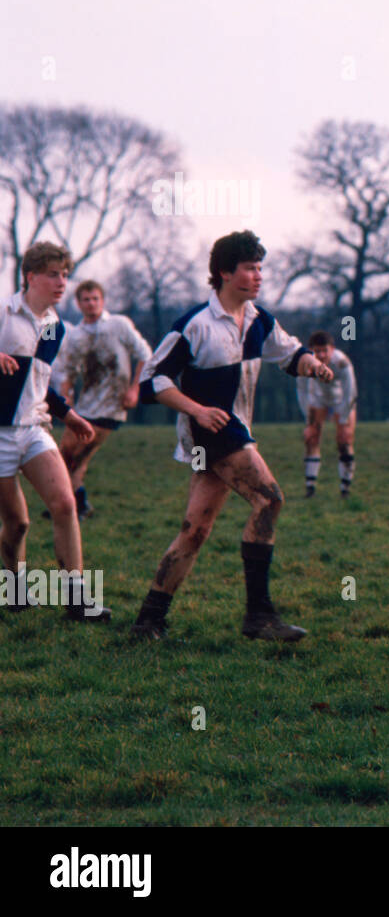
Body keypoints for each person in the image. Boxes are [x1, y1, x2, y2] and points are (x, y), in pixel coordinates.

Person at [130, 231, 334, 641]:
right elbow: (151, 381)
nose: (258, 275)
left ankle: (148, 620)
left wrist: (311, 363)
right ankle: (258, 616)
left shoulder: (259, 319)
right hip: (211, 435)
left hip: (232, 433)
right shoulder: (195, 324)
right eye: (249, 268)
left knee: (196, 529)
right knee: (270, 499)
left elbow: (290, 353)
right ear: (224, 272)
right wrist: (197, 410)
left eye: (261, 268)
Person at [0, 243, 110, 622]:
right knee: (18, 523)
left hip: (33, 428)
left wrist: (71, 416)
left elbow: (37, 383)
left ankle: (77, 602)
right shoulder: (3, 312)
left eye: (65, 274)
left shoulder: (54, 326)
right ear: (31, 276)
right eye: (53, 274)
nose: (62, 282)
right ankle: (13, 589)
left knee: (65, 504)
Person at [49, 280, 152, 519]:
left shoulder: (119, 325)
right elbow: (67, 372)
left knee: (77, 454)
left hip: (112, 405)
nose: (91, 303)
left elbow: (146, 356)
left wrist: (134, 389)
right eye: (86, 299)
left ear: (102, 301)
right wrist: (66, 402)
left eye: (95, 298)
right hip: (85, 405)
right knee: (64, 454)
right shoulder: (75, 335)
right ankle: (73, 504)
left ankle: (75, 505)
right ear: (79, 303)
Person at [298, 331, 358, 497]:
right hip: (318, 399)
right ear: (311, 350)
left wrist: (344, 420)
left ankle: (345, 488)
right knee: (312, 438)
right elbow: (302, 391)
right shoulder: (304, 362)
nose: (322, 355)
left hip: (341, 400)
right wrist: (308, 421)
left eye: (325, 350)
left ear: (332, 349)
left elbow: (350, 393)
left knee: (344, 440)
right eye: (317, 351)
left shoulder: (342, 363)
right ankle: (310, 487)